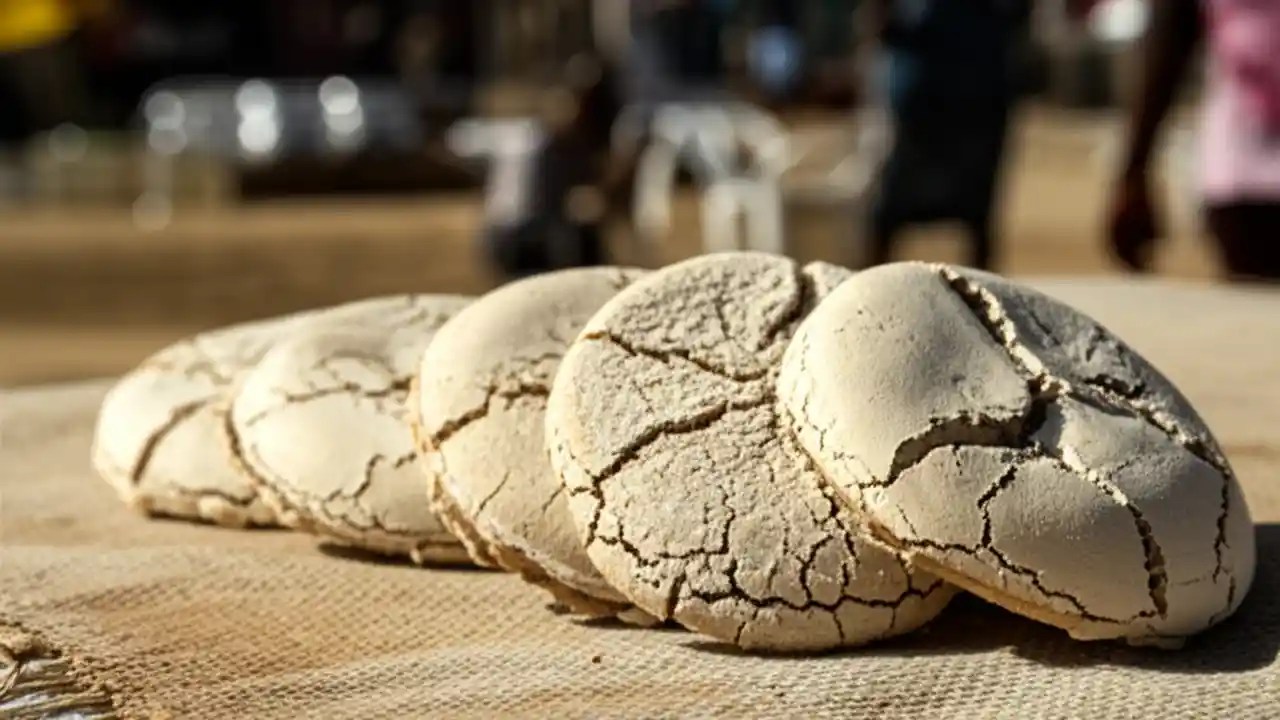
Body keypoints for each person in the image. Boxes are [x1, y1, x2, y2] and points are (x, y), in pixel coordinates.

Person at [1107, 0, 1280, 282]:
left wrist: (1133, 173)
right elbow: (1171, 39)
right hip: (1247, 178)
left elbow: (1169, 42)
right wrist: (1133, 175)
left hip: (1243, 177)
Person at [863, 0, 1030, 270]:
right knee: (890, 207)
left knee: (976, 208)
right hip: (924, 92)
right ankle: (866, 295)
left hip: (976, 89)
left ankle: (982, 300)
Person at [480, 54, 624, 278]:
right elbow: (566, 206)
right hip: (521, 241)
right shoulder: (551, 147)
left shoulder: (532, 135)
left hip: (504, 237)